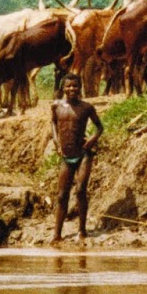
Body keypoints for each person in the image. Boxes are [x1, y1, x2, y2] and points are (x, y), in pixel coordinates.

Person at [49, 73, 103, 244]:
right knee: (61, 195)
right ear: (63, 88)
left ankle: (82, 230)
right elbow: (53, 123)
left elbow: (99, 128)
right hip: (66, 156)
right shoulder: (56, 106)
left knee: (80, 190)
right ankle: (57, 234)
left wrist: (92, 140)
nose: (71, 89)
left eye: (75, 86)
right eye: (68, 86)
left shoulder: (86, 107)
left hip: (83, 154)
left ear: (80, 88)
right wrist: (56, 142)